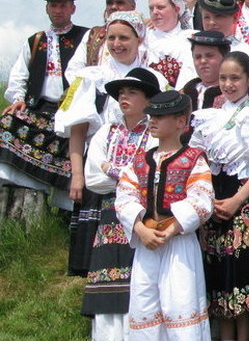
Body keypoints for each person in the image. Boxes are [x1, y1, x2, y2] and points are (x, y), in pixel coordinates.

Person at [190, 51, 249, 341]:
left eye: (235, 78)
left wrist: (237, 200)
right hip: (216, 198)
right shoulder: (210, 116)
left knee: (244, 272)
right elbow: (199, 159)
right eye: (223, 78)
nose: (228, 84)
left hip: (246, 201)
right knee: (219, 274)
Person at [115, 90, 214, 340]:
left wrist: (170, 230)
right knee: (144, 303)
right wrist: (140, 229)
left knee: (182, 303)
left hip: (179, 243)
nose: (153, 121)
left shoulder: (194, 159)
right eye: (151, 116)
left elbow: (202, 198)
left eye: (161, 116)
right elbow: (124, 196)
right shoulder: (138, 161)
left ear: (181, 122)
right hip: (147, 242)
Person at [80, 67, 161, 340]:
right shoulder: (106, 133)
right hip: (109, 215)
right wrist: (125, 173)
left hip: (141, 214)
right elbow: (93, 178)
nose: (125, 97)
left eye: (133, 92)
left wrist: (112, 169)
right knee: (107, 277)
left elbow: (150, 176)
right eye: (121, 93)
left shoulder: (154, 135)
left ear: (148, 100)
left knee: (139, 280)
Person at [0, 0, 88, 210]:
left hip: (68, 111)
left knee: (78, 141)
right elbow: (19, 76)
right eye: (53, 5)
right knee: (7, 122)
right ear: (46, 8)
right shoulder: (35, 40)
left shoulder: (85, 38)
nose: (58, 10)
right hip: (37, 109)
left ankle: (65, 210)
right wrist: (18, 98)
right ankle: (23, 185)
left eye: (62, 5)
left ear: (72, 8)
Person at [67, 0, 139, 77]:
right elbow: (73, 70)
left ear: (133, 6)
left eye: (120, 3)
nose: (113, 6)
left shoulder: (144, 35)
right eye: (109, 3)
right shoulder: (93, 35)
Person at [145, 0, 197, 88]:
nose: (155, 12)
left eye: (160, 7)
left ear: (177, 9)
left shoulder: (193, 38)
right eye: (151, 8)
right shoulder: (143, 39)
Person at [180, 30, 231, 112]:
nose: (203, 61)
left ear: (225, 57)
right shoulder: (182, 96)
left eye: (209, 56)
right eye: (198, 57)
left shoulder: (235, 93)